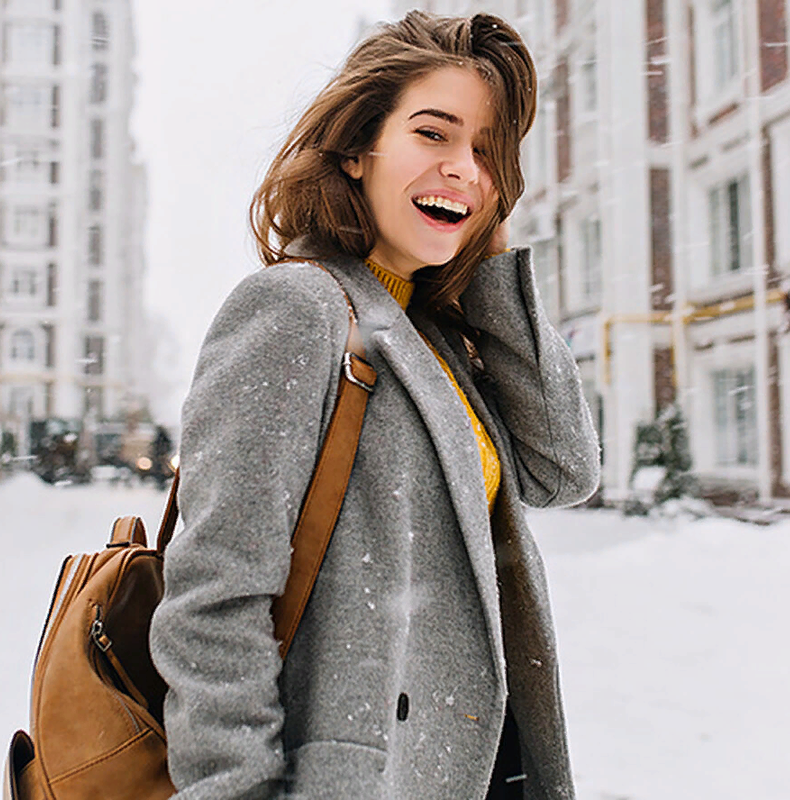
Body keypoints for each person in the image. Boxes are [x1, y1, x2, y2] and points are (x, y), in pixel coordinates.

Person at [149, 11, 601, 800]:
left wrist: (486, 264)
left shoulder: (439, 339)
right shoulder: (299, 311)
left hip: (480, 771)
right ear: (358, 149)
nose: (465, 168)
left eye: (488, 154)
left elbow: (564, 468)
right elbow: (215, 603)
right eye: (435, 134)